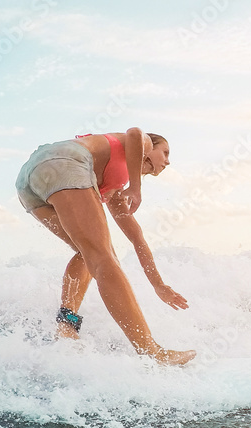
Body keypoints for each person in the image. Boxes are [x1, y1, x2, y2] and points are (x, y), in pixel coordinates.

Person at [15, 128, 195, 366]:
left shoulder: (112, 186)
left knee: (88, 254)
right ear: (150, 148)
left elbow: (136, 238)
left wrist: (159, 285)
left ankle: (67, 325)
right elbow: (134, 133)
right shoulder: (138, 141)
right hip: (63, 160)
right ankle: (151, 350)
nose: (168, 162)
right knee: (104, 258)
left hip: (30, 183)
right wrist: (137, 188)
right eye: (166, 152)